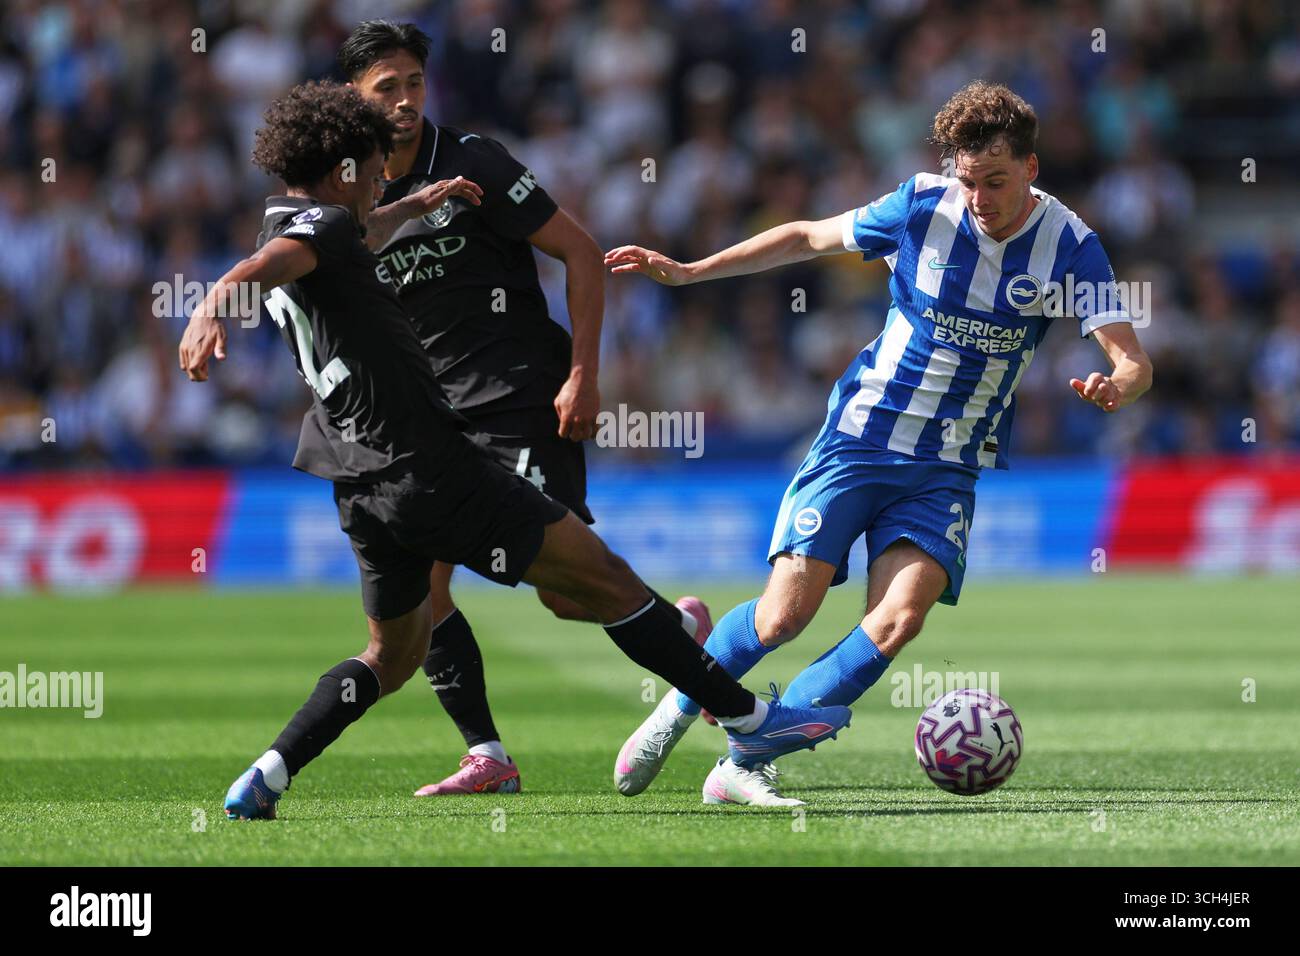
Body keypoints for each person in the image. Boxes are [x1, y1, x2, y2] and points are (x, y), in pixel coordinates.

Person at [175, 81, 851, 820]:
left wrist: (410, 206)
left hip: (360, 488)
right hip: (435, 470)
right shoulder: (313, 236)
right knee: (606, 581)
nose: (379, 180)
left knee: (392, 657)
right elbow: (274, 262)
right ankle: (753, 721)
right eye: (371, 171)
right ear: (342, 171)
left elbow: (335, 241)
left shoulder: (299, 220)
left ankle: (268, 773)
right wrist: (212, 306)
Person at [605, 81, 1153, 806]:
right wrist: (692, 271)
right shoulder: (923, 205)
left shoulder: (1071, 246)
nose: (980, 198)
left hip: (949, 464)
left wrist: (1117, 385)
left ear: (1031, 168)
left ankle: (747, 761)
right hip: (860, 439)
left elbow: (1133, 359)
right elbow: (806, 235)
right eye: (970, 181)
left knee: (897, 619)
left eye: (995, 181)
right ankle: (678, 704)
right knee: (783, 616)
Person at [338, 20, 712, 796]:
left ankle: (684, 641)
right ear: (354, 97)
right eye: (387, 88)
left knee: (561, 590)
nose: (405, 100)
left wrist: (584, 374)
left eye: (413, 83)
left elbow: (580, 252)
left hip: (517, 395)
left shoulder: (474, 161)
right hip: (432, 415)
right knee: (428, 591)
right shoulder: (352, 192)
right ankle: (488, 755)